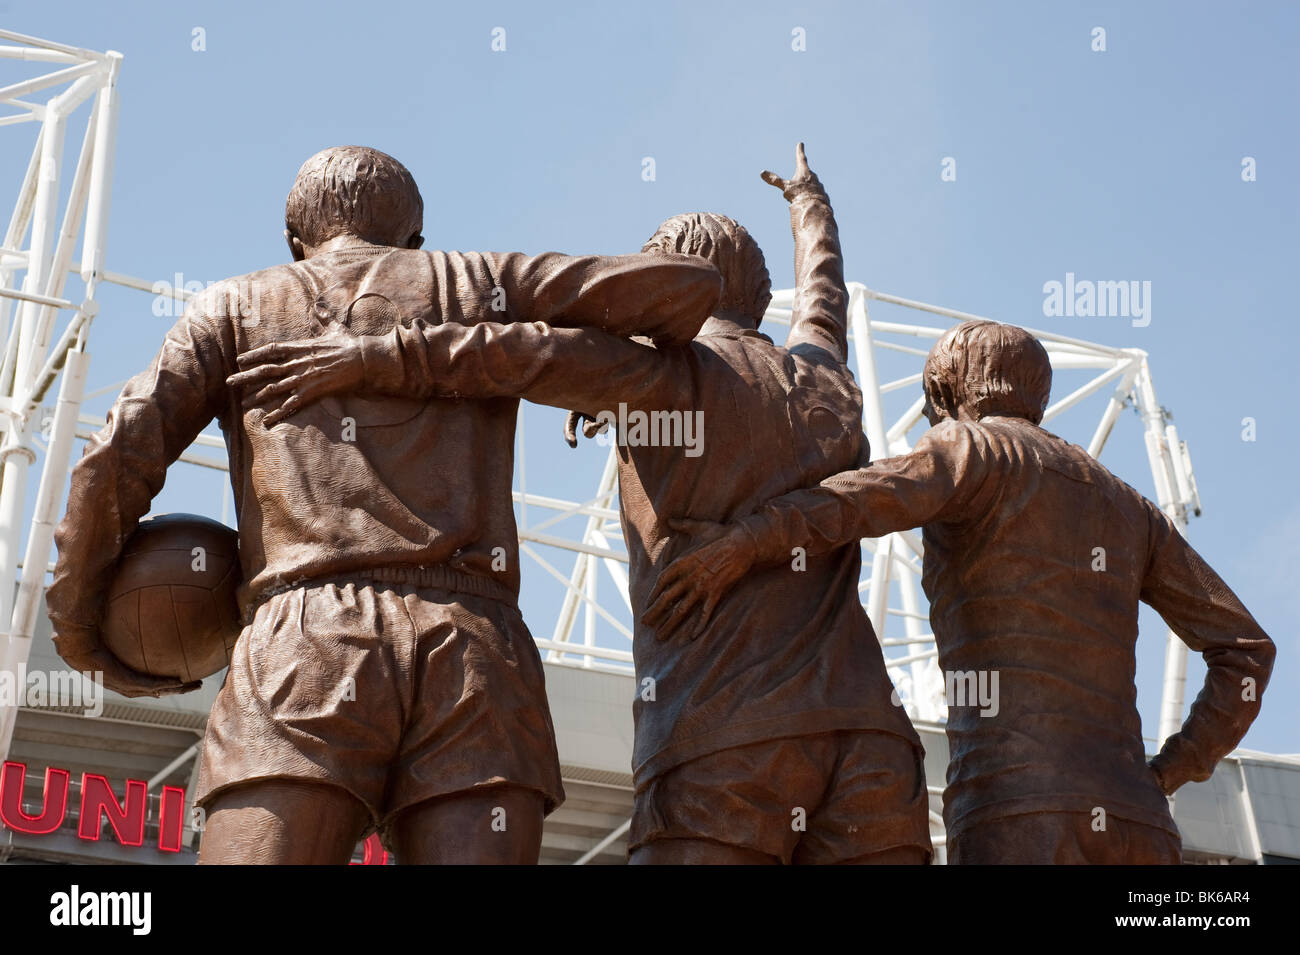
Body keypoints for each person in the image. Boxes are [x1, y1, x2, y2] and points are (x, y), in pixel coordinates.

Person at [232, 144, 932, 865]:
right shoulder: (826, 379)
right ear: (758, 296)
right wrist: (809, 204)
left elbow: (514, 353)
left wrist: (374, 356)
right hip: (871, 738)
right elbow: (824, 296)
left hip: (725, 740)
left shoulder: (660, 373)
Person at [45, 145, 722, 864]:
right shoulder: (480, 281)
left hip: (305, 642)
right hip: (477, 654)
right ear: (415, 240)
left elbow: (115, 460)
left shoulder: (237, 304)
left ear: (293, 239)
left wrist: (81, 629)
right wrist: (489, 333)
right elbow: (685, 288)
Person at [643, 318, 1277, 864]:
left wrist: (746, 541)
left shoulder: (975, 449)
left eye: (930, 406)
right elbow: (1247, 650)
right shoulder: (1129, 505)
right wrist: (1170, 770)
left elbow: (857, 501)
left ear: (949, 395)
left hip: (1020, 816)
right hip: (1140, 824)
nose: (928, 420)